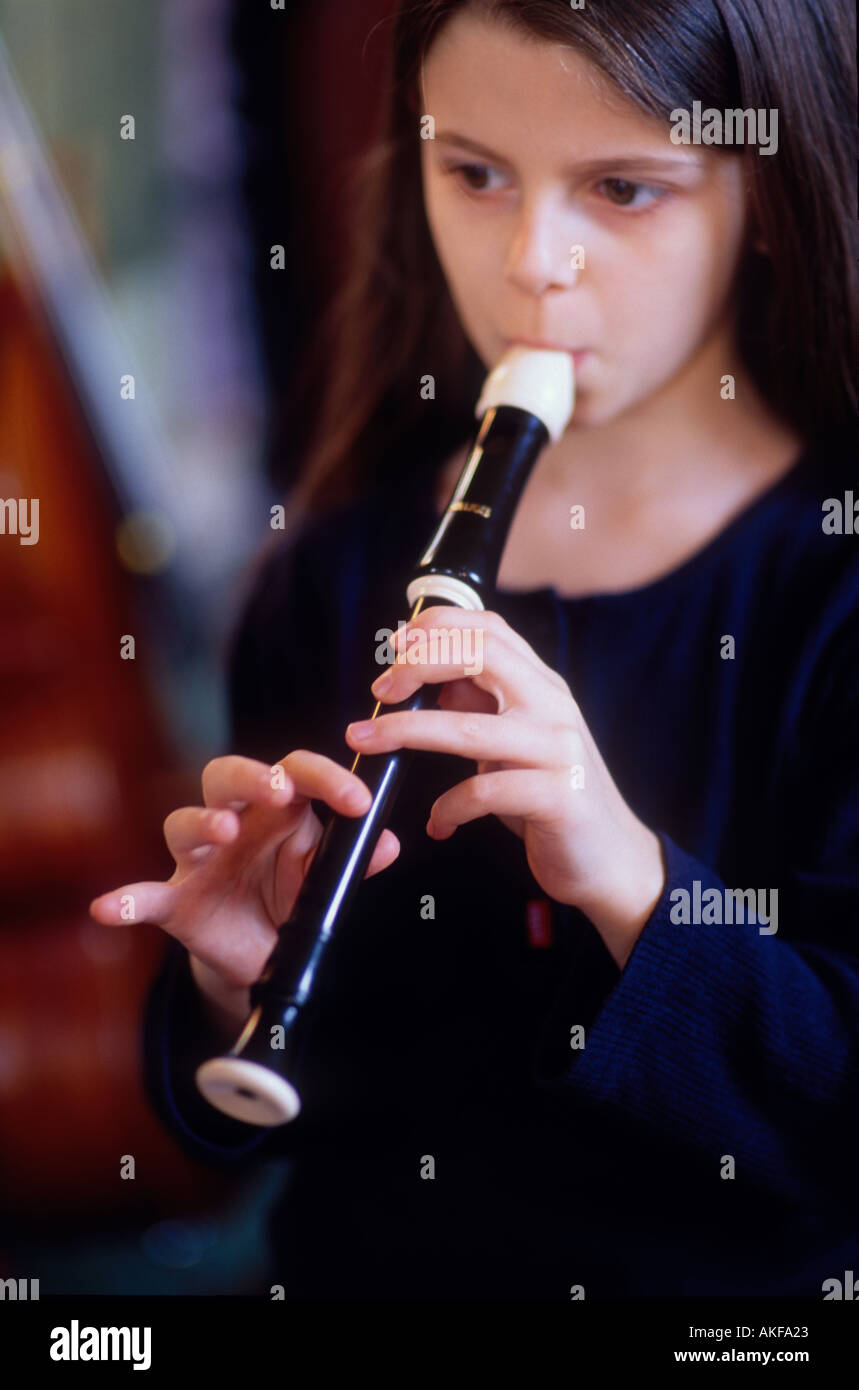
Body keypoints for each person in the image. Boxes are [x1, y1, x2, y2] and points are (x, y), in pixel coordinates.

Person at [90, 0, 857, 1299]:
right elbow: (271, 1124)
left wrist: (632, 884)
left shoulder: (830, 581)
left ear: (772, 191)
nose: (528, 261)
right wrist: (237, 989)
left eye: (622, 186)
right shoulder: (330, 573)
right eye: (475, 171)